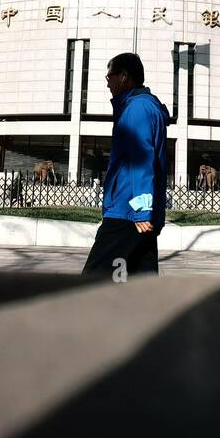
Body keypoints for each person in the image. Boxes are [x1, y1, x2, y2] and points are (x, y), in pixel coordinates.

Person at [82, 52, 170, 279]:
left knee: (93, 279)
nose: (107, 83)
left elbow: (142, 160)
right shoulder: (146, 107)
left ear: (123, 77)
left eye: (109, 77)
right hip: (138, 215)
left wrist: (141, 210)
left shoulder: (136, 109)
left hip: (126, 213)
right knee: (141, 286)